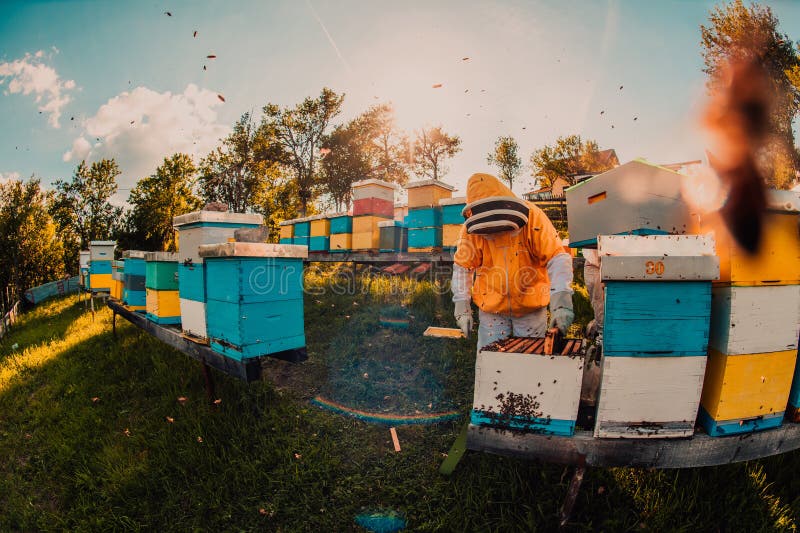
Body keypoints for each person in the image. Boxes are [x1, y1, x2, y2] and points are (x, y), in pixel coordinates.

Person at [451, 173, 574, 350]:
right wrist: (462, 308)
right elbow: (463, 267)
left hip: (530, 309)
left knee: (528, 362)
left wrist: (561, 303)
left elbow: (557, 257)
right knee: (492, 365)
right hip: (491, 311)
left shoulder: (533, 216)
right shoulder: (471, 228)